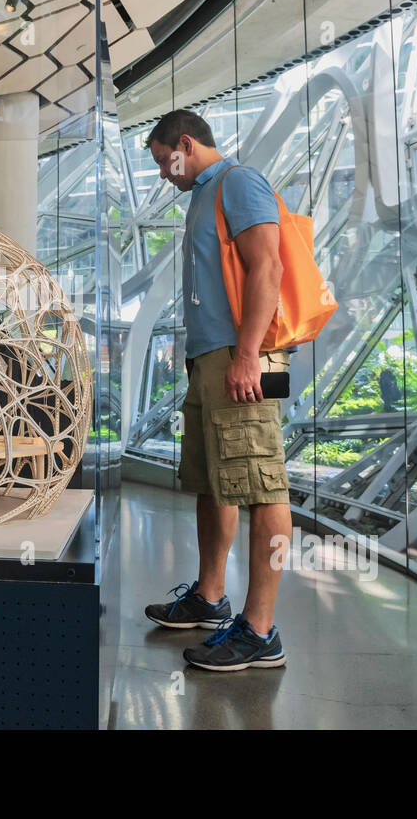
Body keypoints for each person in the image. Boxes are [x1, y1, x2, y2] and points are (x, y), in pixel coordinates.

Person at [142, 110, 292, 672]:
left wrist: (249, 353)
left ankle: (260, 631)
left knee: (262, 484)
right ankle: (209, 597)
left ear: (185, 144)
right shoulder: (203, 196)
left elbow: (268, 266)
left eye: (164, 160)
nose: (163, 173)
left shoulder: (239, 182)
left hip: (240, 357)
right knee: (214, 482)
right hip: (211, 359)